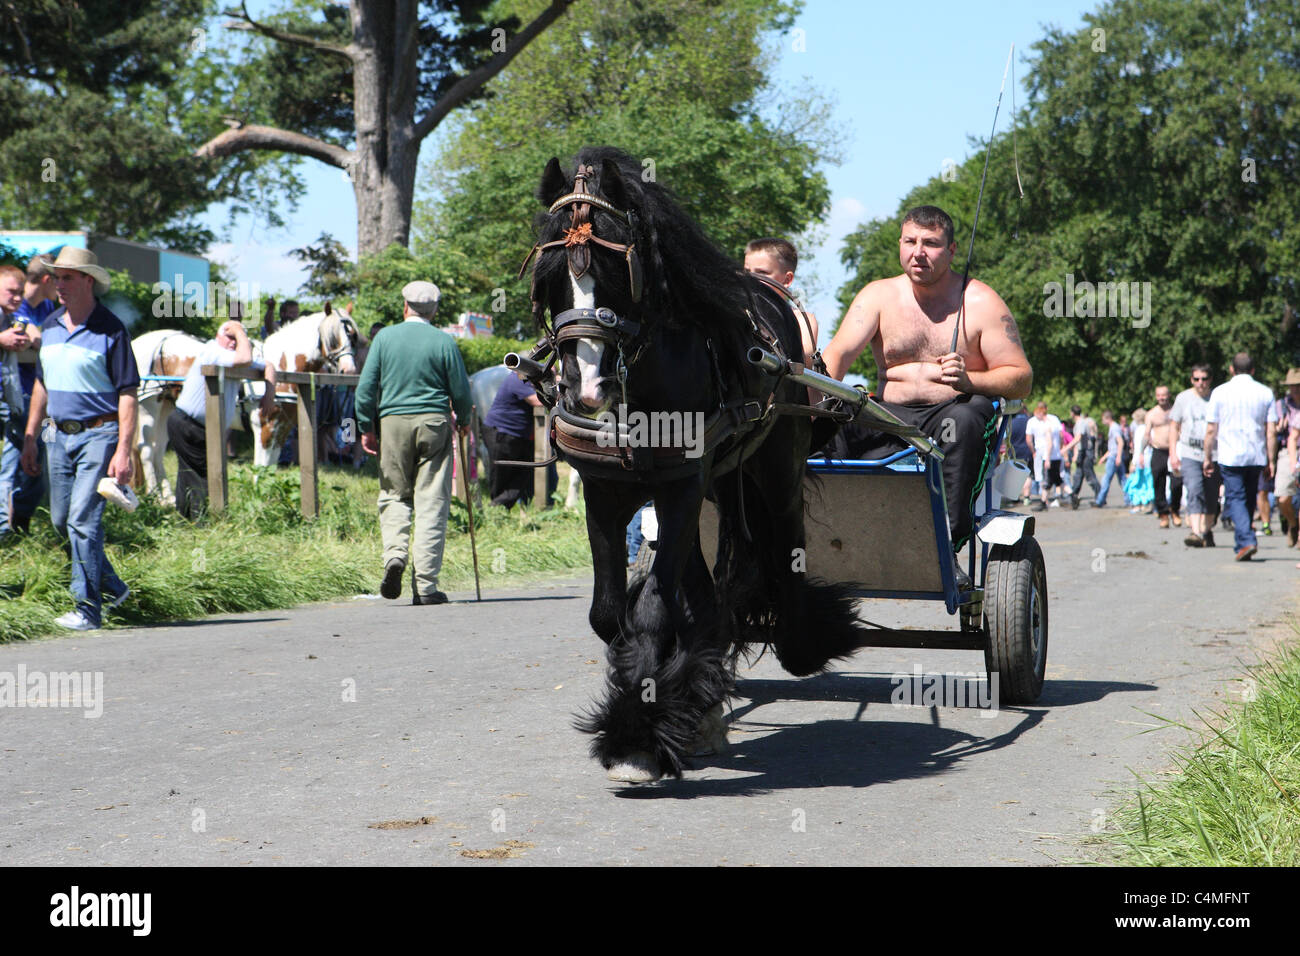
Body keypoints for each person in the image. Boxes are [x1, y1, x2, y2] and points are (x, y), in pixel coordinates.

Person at [822, 205, 1032, 553]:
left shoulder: (981, 301)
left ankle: (943, 547)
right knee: (832, 412)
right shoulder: (878, 295)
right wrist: (817, 400)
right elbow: (838, 356)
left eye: (931, 243)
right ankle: (829, 536)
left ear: (950, 250)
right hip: (888, 416)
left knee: (965, 418)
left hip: (952, 413)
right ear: (900, 244)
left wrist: (970, 381)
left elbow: (1021, 378)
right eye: (910, 241)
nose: (918, 252)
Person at [20, 248, 139, 630]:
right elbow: (42, 383)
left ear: (88, 280)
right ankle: (112, 585)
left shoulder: (112, 329)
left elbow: (128, 393)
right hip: (56, 436)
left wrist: (124, 449)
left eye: (67, 277)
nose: (58, 284)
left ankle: (88, 609)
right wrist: (30, 436)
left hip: (99, 435)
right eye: (55, 277)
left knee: (83, 521)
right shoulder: (51, 325)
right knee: (60, 521)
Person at [355, 280, 472, 605]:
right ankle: (426, 586)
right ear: (433, 310)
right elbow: (461, 389)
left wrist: (367, 427)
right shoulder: (444, 341)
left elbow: (365, 387)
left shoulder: (384, 338)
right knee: (432, 500)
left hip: (392, 423)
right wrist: (463, 420)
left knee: (394, 495)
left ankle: (395, 556)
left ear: (404, 306)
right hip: (434, 422)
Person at [166, 321, 274, 519]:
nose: (234, 342)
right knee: (203, 475)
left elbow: (269, 365)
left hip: (202, 427)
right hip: (187, 423)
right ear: (218, 337)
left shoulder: (229, 355)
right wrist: (241, 332)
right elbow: (245, 357)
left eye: (237, 339)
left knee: (190, 473)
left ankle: (186, 519)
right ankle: (201, 523)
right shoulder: (213, 350)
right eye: (230, 337)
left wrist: (269, 393)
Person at [1204, 352, 1277, 561]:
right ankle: (1242, 544)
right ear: (1253, 370)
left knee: (1235, 497)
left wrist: (1207, 457)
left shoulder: (1219, 392)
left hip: (1230, 455)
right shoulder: (1265, 392)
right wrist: (1271, 460)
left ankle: (1246, 541)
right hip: (1255, 455)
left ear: (1231, 369)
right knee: (1248, 497)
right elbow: (1270, 431)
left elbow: (1211, 430)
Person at [744, 238, 819, 368]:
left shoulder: (802, 320)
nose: (751, 278)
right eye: (746, 272)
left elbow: (804, 359)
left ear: (787, 279)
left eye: (762, 273)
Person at [1170, 364, 1219, 547]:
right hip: (1190, 452)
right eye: (1197, 379)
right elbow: (1174, 427)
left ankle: (1206, 530)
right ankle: (1196, 532)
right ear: (1192, 380)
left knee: (1211, 494)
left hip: (1215, 453)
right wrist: (1173, 454)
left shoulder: (1217, 397)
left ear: (1210, 379)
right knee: (1194, 489)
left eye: (1204, 379)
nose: (1201, 383)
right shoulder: (1183, 398)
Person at [482, 371, 542, 508]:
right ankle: (496, 510)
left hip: (517, 435)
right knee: (501, 477)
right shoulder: (517, 378)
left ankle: (499, 507)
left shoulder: (529, 381)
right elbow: (536, 401)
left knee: (524, 473)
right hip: (501, 433)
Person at [1144, 384, 1181, 528]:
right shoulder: (1152, 414)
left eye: (1164, 395)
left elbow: (1182, 429)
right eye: (1159, 395)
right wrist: (1140, 454)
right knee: (1158, 482)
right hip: (1158, 450)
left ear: (1169, 395)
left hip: (1175, 449)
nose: (1161, 398)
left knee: (1177, 482)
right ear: (1155, 396)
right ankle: (1163, 514)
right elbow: (1147, 434)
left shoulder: (1176, 411)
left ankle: (1175, 510)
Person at [1273, 368, 1300, 547]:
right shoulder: (1281, 405)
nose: (1295, 389)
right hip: (1288, 452)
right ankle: (1292, 523)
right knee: (1282, 496)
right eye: (1293, 386)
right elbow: (1287, 436)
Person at [1025, 401, 1064, 510]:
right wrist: (1061, 448)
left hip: (1044, 452)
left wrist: (1033, 451)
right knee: (1055, 476)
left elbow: (1029, 440)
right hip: (1054, 453)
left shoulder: (1034, 421)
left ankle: (1044, 501)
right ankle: (1056, 497)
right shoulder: (1054, 419)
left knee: (1044, 477)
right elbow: (1061, 436)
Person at [1063, 404, 1099, 509]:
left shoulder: (1081, 423)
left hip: (1086, 452)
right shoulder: (1080, 423)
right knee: (1078, 475)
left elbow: (1078, 438)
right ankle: (1073, 498)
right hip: (1082, 452)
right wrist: (1075, 454)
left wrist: (1066, 448)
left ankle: (1100, 496)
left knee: (1089, 475)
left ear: (1073, 413)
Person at [1093, 410, 1126, 508]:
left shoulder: (1114, 428)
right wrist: (1103, 457)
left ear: (1107, 418)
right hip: (1114, 455)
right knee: (1122, 479)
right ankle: (1130, 500)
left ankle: (1100, 500)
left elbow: (1120, 442)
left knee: (1106, 479)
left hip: (1115, 457)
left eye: (1103, 419)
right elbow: (1112, 447)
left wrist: (1118, 457)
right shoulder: (1114, 427)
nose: (1102, 421)